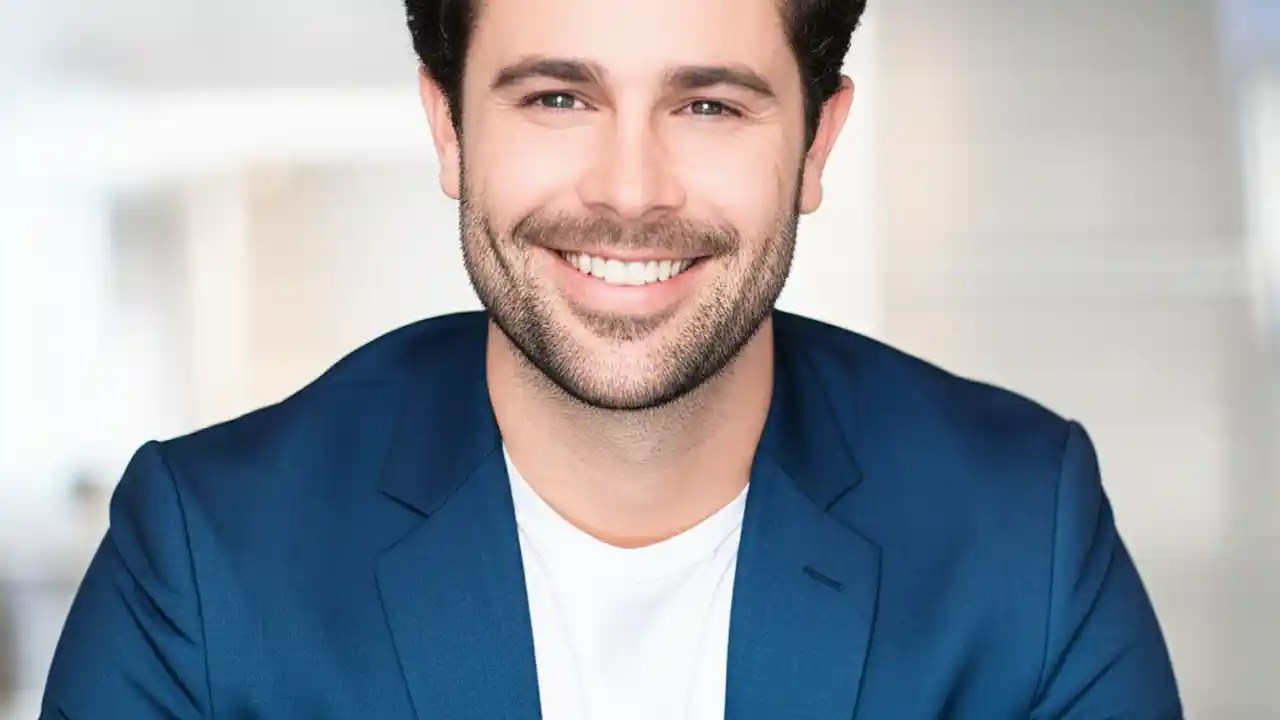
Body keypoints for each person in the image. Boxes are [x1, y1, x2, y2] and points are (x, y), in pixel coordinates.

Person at [41, 0, 1182, 717]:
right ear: (448, 129)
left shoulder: (1021, 526)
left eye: (707, 105)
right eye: (555, 95)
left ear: (815, 144)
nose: (628, 189)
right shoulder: (203, 556)